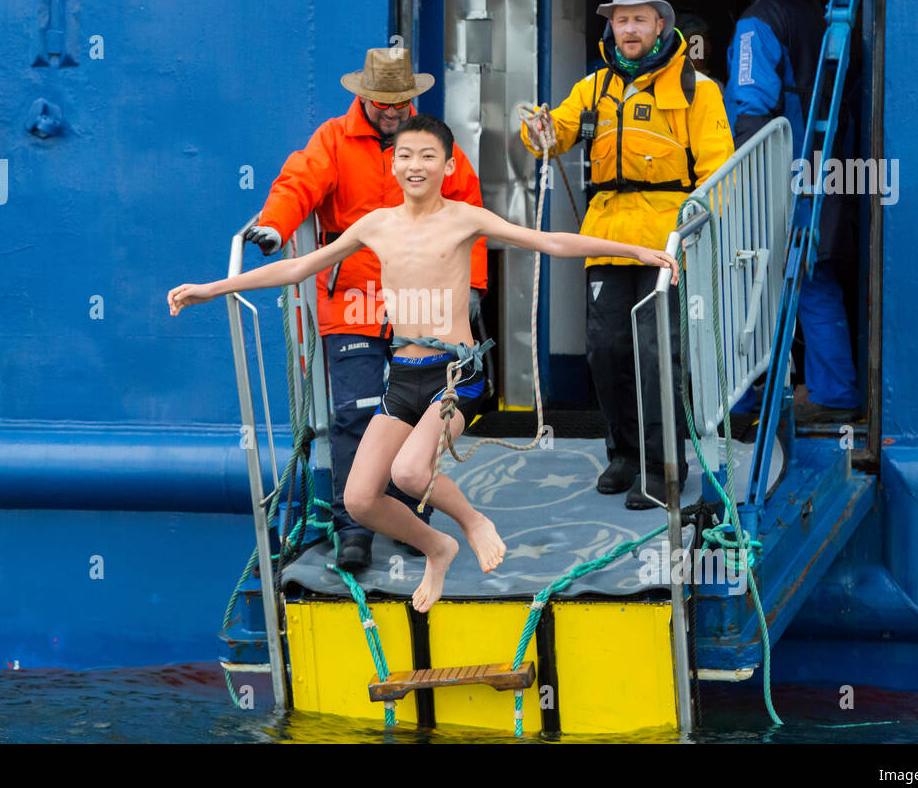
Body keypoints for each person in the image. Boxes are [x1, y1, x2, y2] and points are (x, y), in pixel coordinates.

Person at [169, 114, 678, 611]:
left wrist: (636, 251)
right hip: (403, 378)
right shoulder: (376, 225)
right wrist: (213, 288)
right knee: (359, 499)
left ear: (449, 166)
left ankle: (473, 522)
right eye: (406, 155)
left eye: (429, 156)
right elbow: (299, 266)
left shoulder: (463, 218)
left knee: (411, 473)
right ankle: (438, 547)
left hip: (455, 377)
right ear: (393, 164)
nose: (416, 165)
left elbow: (549, 242)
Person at [244, 48, 489, 571]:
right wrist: (273, 225)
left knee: (419, 415)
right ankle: (352, 526)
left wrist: (473, 286)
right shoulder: (333, 140)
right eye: (381, 101)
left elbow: (469, 208)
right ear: (363, 96)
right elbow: (298, 184)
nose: (392, 111)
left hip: (418, 304)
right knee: (355, 415)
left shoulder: (428, 145)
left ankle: (407, 518)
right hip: (352, 296)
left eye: (401, 102)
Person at [520, 0, 734, 508]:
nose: (630, 29)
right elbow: (556, 136)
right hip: (607, 234)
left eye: (640, 19)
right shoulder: (593, 87)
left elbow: (718, 173)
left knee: (660, 355)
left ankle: (666, 467)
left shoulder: (697, 89)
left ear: (660, 23)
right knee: (607, 352)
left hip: (667, 241)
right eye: (621, 20)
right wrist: (537, 130)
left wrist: (696, 230)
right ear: (611, 27)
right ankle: (624, 456)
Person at [724, 0, 859, 425]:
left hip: (781, 172)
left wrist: (749, 180)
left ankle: (742, 401)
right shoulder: (823, 18)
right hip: (832, 169)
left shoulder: (756, 21)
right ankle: (834, 389)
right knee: (814, 275)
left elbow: (751, 102)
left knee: (749, 279)